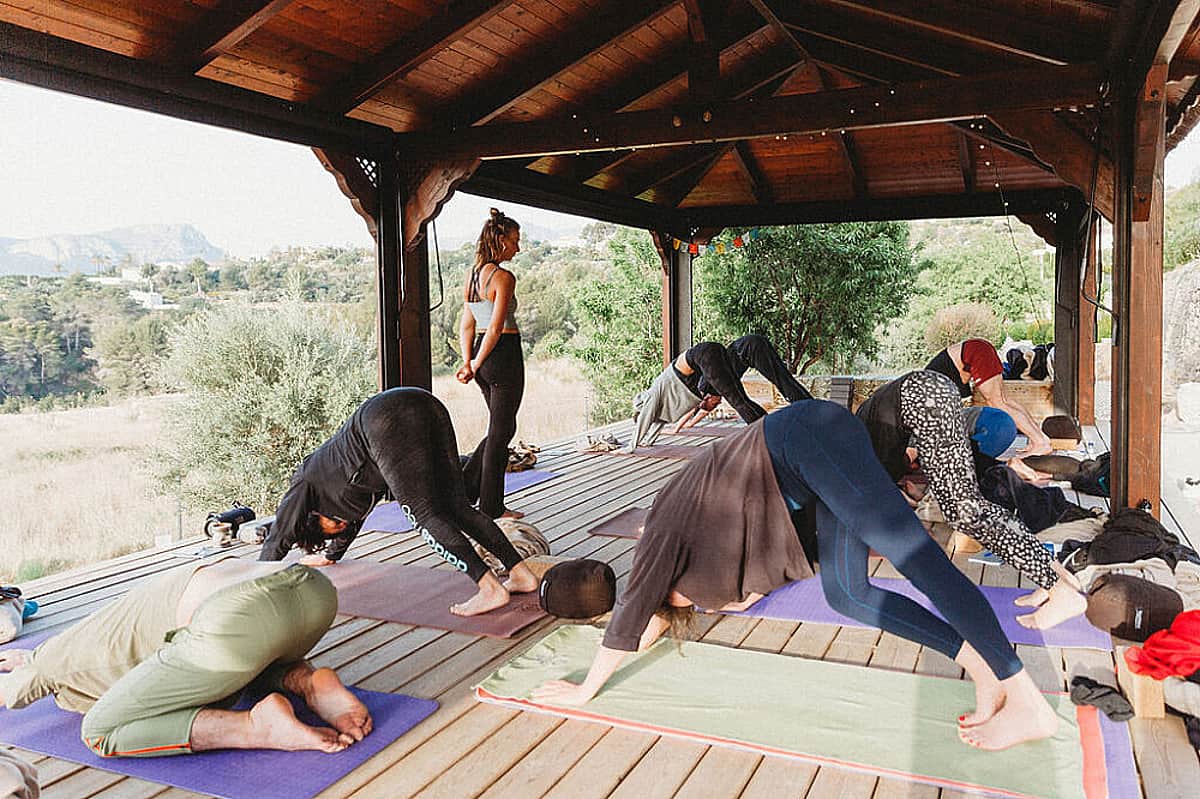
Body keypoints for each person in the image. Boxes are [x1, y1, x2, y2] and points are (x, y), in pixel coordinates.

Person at [533, 400, 1061, 751]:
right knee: (848, 594)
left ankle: (1028, 702)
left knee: (915, 557)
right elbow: (649, 624)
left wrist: (585, 689)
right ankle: (981, 666)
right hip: (809, 455)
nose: (694, 604)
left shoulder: (657, 541)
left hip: (806, 439)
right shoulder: (684, 562)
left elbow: (629, 622)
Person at [0, 559, 369, 758]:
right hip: (310, 589)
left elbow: (10, 692)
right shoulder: (86, 634)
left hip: (237, 622)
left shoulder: (47, 664)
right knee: (236, 670)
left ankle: (256, 727)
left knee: (99, 733)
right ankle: (307, 682)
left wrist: (29, 670)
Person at [258, 387, 538, 617]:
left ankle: (490, 588)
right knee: (457, 506)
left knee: (425, 515)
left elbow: (277, 539)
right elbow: (352, 524)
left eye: (335, 524)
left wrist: (255, 587)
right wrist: (331, 555)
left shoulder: (305, 482)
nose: (344, 524)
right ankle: (520, 574)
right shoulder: (345, 498)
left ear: (313, 515)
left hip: (388, 417)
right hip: (422, 404)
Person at [855, 371, 1086, 629]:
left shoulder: (859, 462)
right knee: (969, 508)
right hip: (930, 391)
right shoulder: (863, 438)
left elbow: (881, 498)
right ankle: (1056, 576)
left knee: (965, 511)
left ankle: (1060, 591)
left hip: (924, 400)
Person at [457, 208, 526, 520]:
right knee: (501, 432)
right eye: (515, 240)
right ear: (500, 240)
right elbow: (496, 329)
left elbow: (466, 325)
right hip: (503, 355)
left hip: (482, 358)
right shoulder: (503, 278)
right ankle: (491, 507)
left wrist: (469, 361)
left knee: (501, 427)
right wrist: (474, 363)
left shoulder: (472, 277)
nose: (517, 248)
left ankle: (465, 490)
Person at [630, 334, 812, 450]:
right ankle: (812, 413)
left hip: (706, 355)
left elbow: (647, 416)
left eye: (713, 404)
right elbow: (660, 421)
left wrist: (631, 446)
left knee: (740, 402)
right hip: (735, 351)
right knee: (781, 378)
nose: (718, 403)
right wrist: (654, 438)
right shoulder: (672, 406)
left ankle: (776, 439)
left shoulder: (655, 395)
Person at [925, 339, 1051, 455]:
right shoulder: (932, 389)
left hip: (974, 353)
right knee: (1005, 401)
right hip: (976, 349)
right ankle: (1041, 439)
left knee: (998, 403)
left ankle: (1040, 442)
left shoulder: (924, 398)